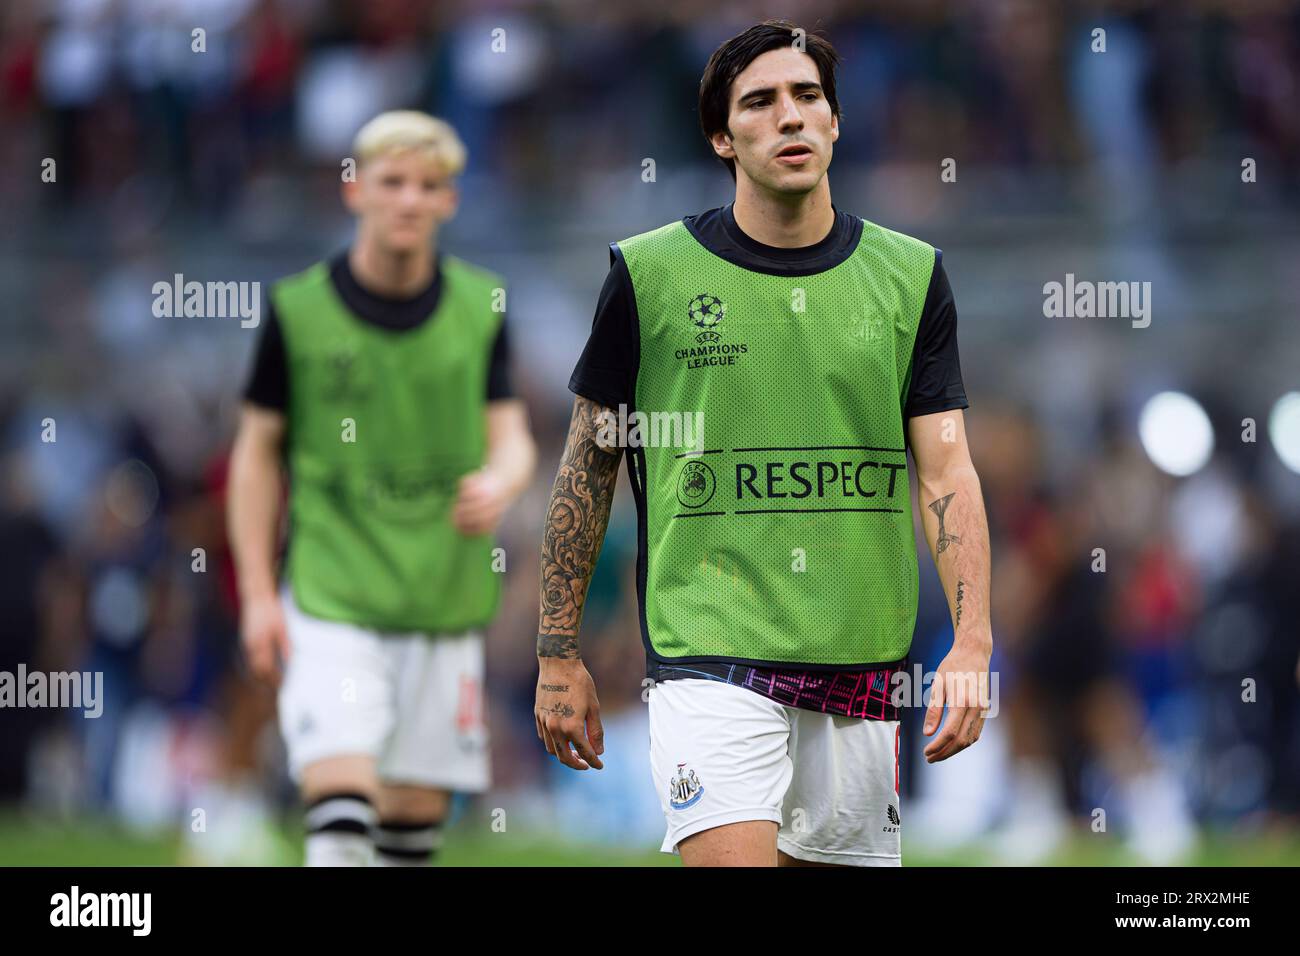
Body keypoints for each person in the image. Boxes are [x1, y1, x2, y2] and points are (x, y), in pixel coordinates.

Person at [535, 21, 991, 867]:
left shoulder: (911, 276)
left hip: (861, 663)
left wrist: (971, 643)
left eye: (808, 96)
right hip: (709, 656)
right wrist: (558, 651)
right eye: (761, 101)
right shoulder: (649, 275)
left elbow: (947, 469)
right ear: (721, 135)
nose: (790, 117)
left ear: (836, 121)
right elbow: (589, 463)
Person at [229, 111, 535, 866]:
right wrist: (260, 595)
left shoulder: (482, 306)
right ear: (355, 190)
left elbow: (513, 435)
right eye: (392, 182)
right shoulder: (299, 311)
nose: (408, 200)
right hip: (333, 594)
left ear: (449, 202)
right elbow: (255, 453)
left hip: (441, 598)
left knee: (408, 834)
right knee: (340, 810)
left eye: (427, 186)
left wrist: (502, 480)